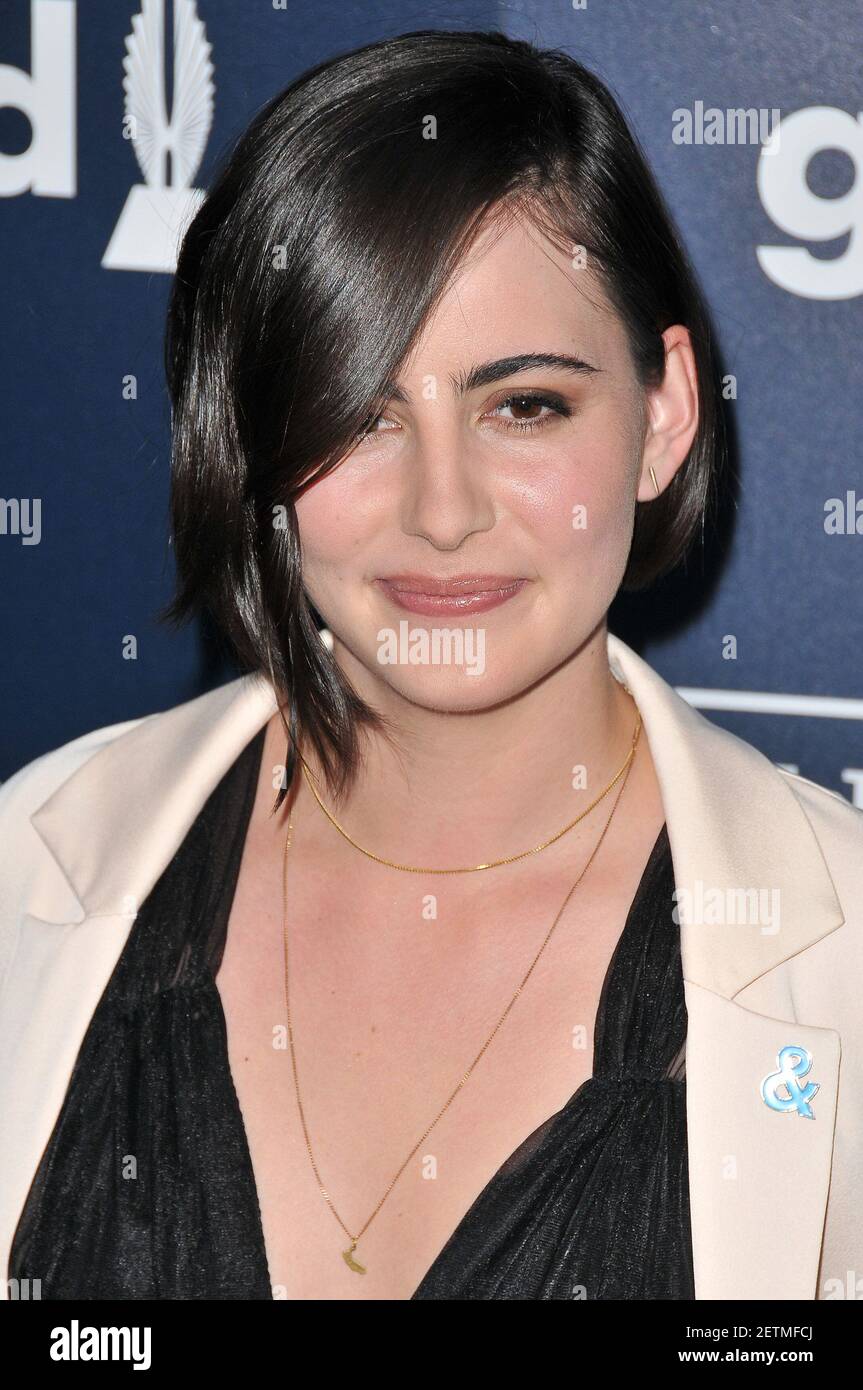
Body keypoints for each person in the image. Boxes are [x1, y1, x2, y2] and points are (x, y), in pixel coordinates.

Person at [1, 28, 861, 1303]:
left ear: (661, 415)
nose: (442, 509)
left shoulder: (835, 952)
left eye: (524, 405)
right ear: (247, 443)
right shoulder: (29, 863)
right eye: (358, 414)